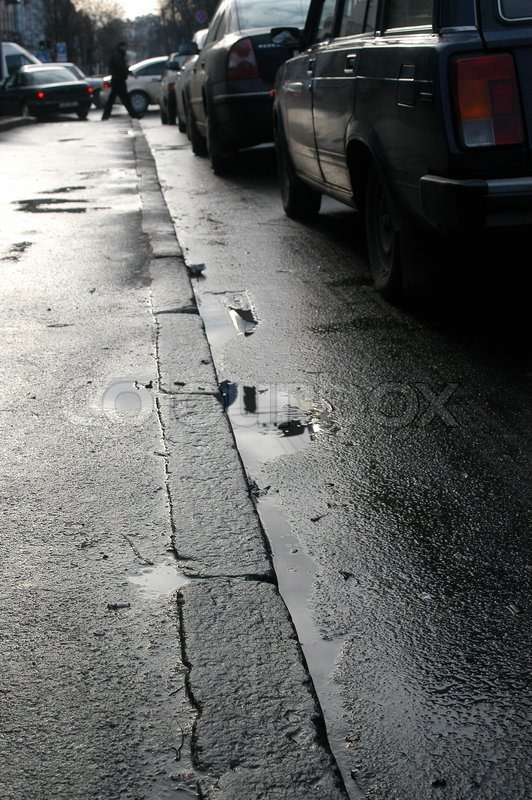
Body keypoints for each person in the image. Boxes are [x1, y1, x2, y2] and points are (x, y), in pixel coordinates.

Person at [101, 41, 138, 120]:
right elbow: (121, 67)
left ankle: (105, 116)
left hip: (118, 80)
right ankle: (134, 115)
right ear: (121, 47)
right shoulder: (117, 55)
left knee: (118, 99)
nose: (126, 49)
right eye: (125, 47)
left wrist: (129, 72)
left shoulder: (118, 55)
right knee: (124, 99)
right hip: (118, 80)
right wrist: (129, 73)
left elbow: (122, 66)